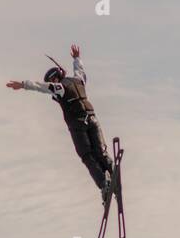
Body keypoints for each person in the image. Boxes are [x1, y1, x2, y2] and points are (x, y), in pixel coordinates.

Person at [6, 44, 114, 204]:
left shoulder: (60, 87)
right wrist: (77, 58)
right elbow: (80, 70)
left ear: (55, 78)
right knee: (101, 152)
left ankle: (104, 185)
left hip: (78, 125)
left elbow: (41, 87)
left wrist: (23, 84)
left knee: (87, 156)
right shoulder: (79, 80)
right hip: (93, 119)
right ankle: (112, 172)